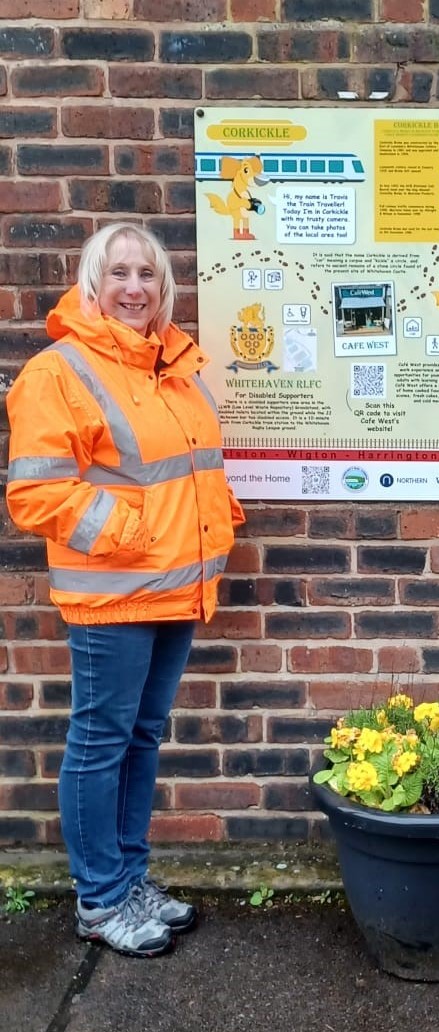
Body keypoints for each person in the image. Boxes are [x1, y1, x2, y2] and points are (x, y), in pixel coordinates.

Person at [5, 222, 245, 958]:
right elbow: (37, 496)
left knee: (139, 737)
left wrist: (214, 523)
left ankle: (129, 880)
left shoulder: (170, 366)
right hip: (116, 594)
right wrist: (140, 534)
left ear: (163, 286)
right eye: (120, 274)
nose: (135, 287)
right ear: (93, 283)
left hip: (177, 587)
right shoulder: (60, 372)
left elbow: (187, 471)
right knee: (100, 743)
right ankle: (101, 900)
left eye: (147, 274)